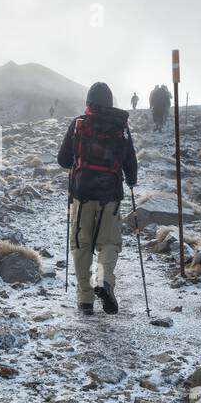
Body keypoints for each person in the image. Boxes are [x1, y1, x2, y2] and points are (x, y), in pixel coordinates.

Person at [57, 82, 138, 315]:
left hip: (81, 195)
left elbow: (63, 160)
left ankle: (85, 298)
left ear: (89, 101)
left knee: (81, 243)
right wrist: (131, 182)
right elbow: (130, 163)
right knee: (109, 243)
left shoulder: (79, 124)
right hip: (110, 196)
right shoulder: (121, 128)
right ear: (110, 102)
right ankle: (103, 281)